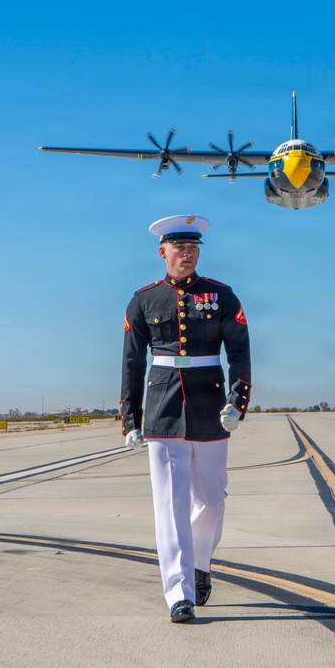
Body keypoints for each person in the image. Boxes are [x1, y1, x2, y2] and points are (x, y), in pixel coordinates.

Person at [121, 214, 252, 623]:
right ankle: (180, 594)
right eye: (180, 248)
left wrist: (238, 401)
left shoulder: (222, 295)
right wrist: (130, 417)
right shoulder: (144, 299)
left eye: (193, 247)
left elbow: (240, 352)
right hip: (161, 406)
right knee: (170, 504)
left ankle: (199, 564)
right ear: (163, 252)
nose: (188, 253)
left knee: (212, 500)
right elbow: (131, 360)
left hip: (210, 404)